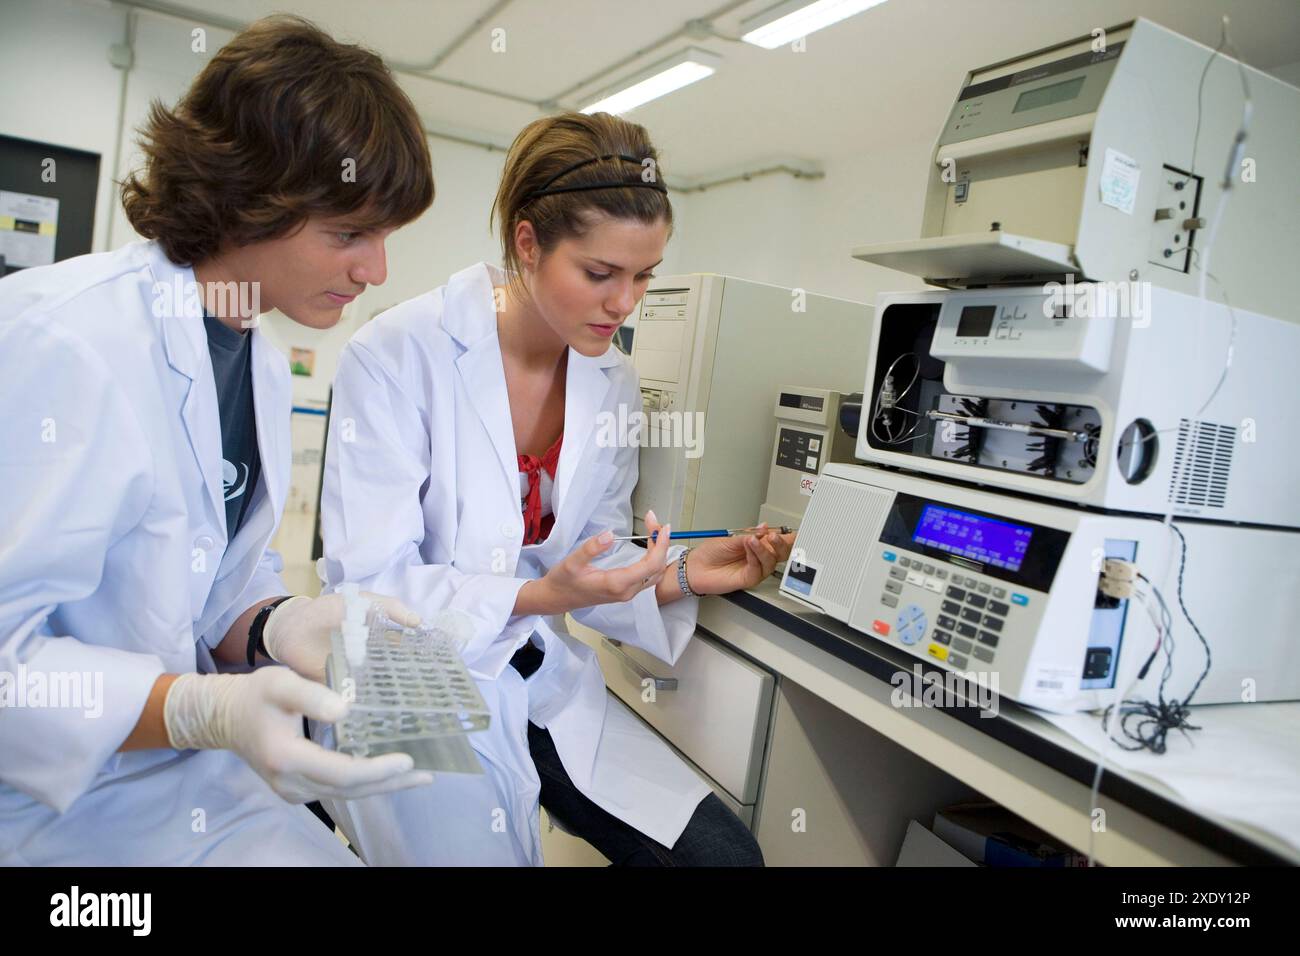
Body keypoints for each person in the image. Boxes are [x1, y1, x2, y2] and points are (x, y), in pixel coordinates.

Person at [0, 16, 436, 865]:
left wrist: (285, 623)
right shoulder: (65, 340)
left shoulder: (256, 357)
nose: (375, 272)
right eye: (348, 233)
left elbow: (210, 584)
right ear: (245, 198)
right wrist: (201, 707)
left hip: (179, 779)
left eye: (386, 237)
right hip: (46, 813)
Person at [317, 111, 794, 866]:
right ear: (528, 243)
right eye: (600, 274)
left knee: (726, 860)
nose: (624, 302)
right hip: (409, 673)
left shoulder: (612, 379)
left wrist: (678, 574)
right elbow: (371, 583)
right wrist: (540, 597)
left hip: (538, 672)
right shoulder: (396, 354)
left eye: (644, 276)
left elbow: (588, 551)